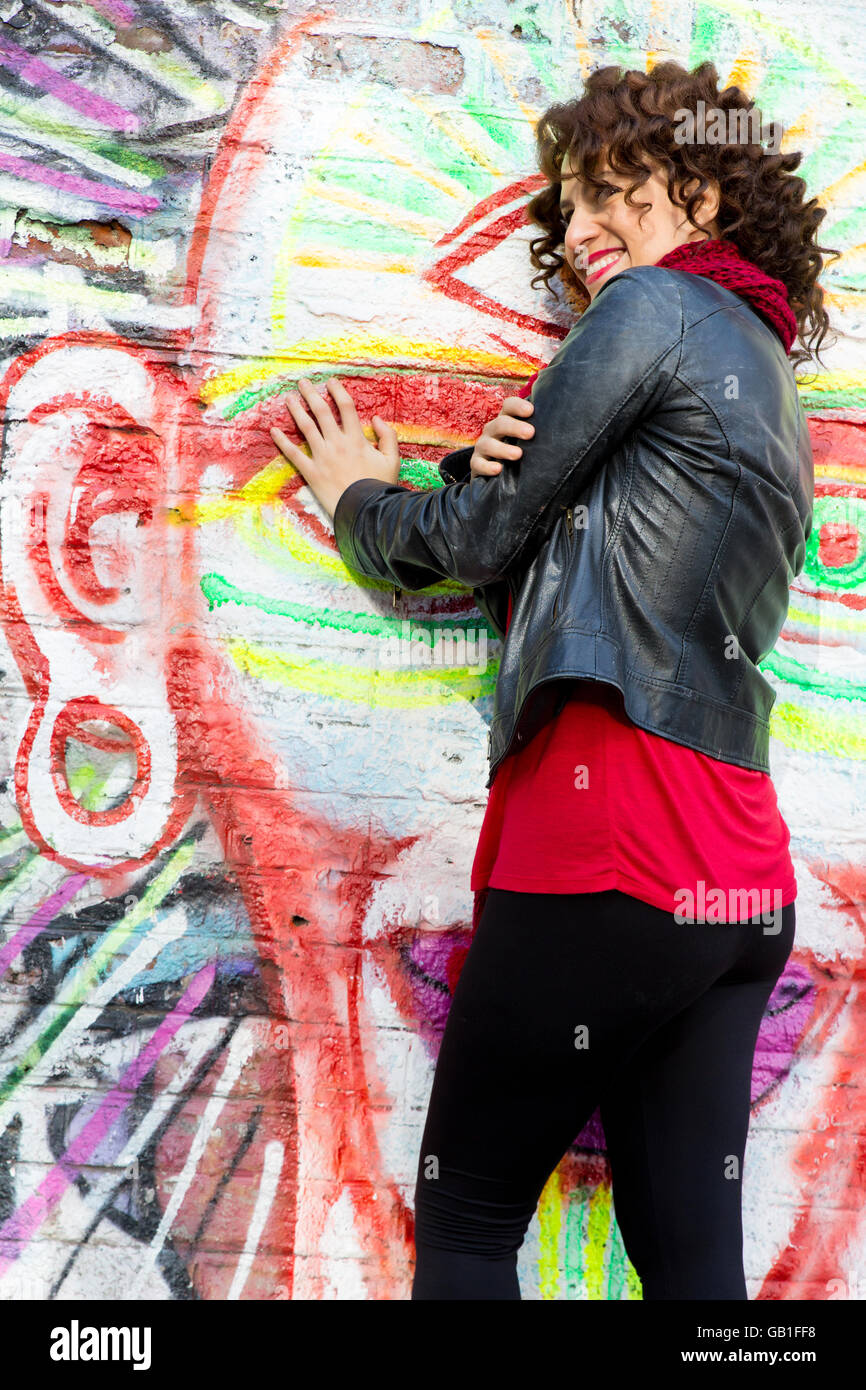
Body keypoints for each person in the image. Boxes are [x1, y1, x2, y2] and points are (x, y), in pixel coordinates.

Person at [268, 60, 835, 1299]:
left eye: (605, 193)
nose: (578, 234)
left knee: (469, 1217)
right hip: (734, 879)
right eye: (565, 210)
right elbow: (590, 557)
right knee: (695, 1271)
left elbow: (474, 544)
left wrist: (366, 499)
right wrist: (496, 484)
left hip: (606, 841)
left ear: (698, 188)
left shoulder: (644, 316)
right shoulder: (764, 382)